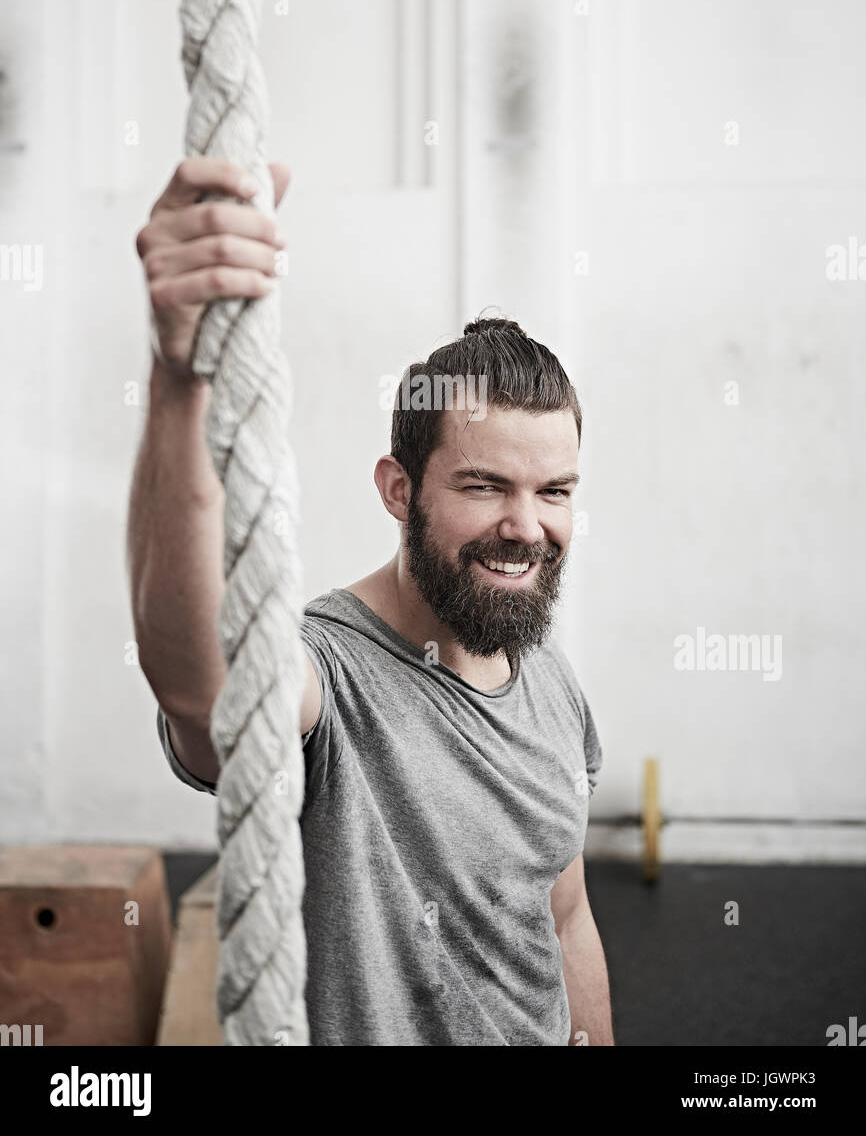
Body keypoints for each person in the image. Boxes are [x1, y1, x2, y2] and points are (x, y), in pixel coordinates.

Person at [127, 156, 614, 1047]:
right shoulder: (329, 676)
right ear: (398, 490)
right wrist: (178, 378)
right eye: (484, 486)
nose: (525, 525)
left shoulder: (554, 685)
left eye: (554, 492)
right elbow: (201, 689)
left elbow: (567, 913)